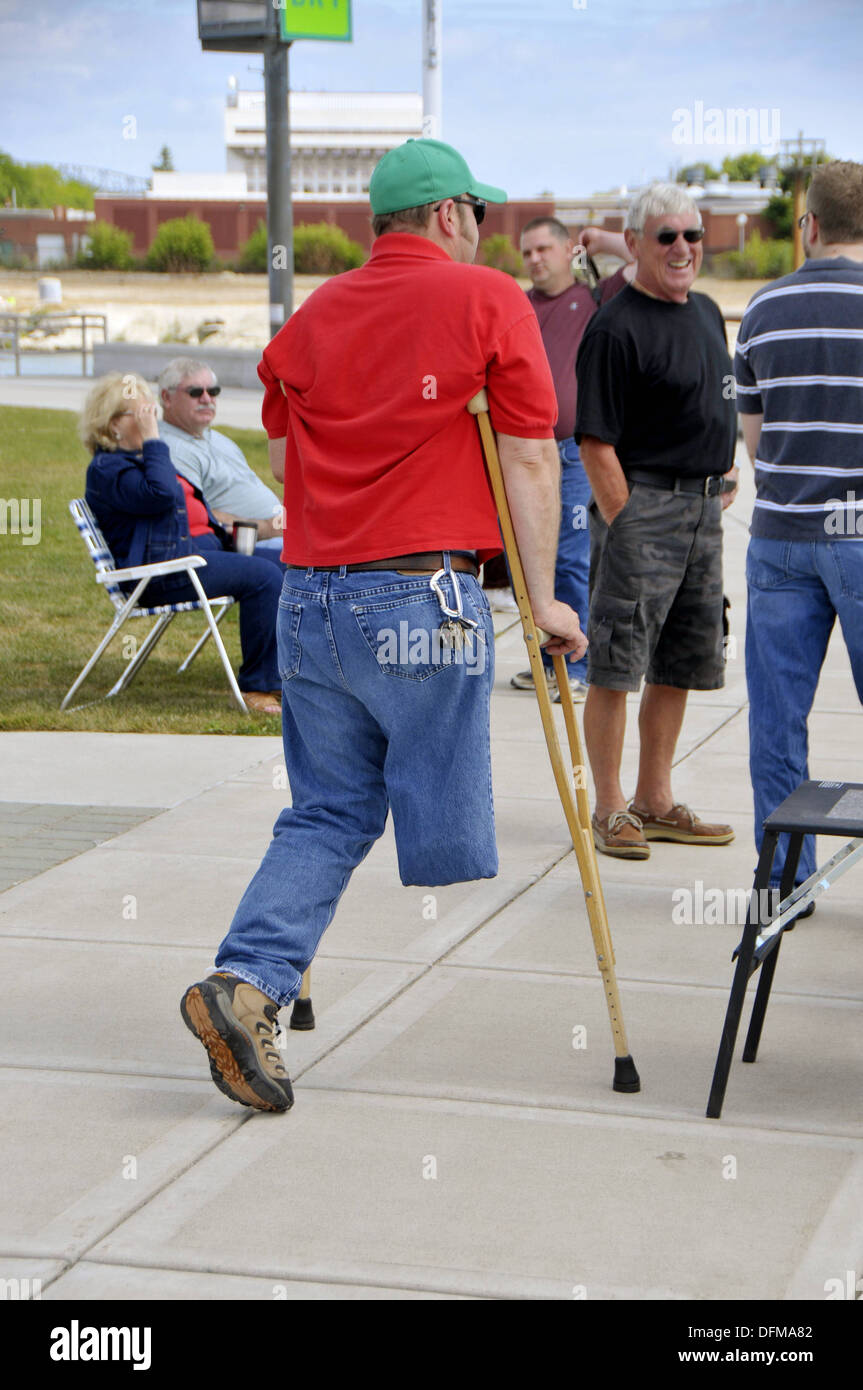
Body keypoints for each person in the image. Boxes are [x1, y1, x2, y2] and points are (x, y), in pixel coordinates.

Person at [180, 137, 586, 1113]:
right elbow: (532, 460)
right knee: (440, 826)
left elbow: (285, 450)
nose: (484, 232)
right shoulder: (486, 300)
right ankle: (284, 960)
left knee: (328, 808)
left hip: (310, 593)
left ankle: (247, 983)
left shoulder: (313, 315)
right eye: (477, 216)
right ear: (448, 214)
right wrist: (542, 601)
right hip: (419, 594)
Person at [575, 182, 738, 859]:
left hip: (702, 513)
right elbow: (595, 442)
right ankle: (610, 809)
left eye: (691, 236)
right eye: (665, 236)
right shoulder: (614, 326)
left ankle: (656, 801)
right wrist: (628, 523)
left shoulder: (704, 310)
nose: (681, 248)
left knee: (679, 664)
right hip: (640, 510)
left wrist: (719, 474)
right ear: (635, 244)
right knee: (617, 665)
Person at [735, 159, 863, 897]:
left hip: (781, 537)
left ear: (807, 225)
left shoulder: (761, 311)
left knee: (777, 721)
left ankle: (784, 882)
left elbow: (755, 444)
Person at [81, 373, 284, 716]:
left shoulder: (139, 462)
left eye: (150, 411)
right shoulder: (108, 469)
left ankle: (301, 671)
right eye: (141, 413)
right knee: (263, 577)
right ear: (113, 425)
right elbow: (160, 496)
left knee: (293, 562)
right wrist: (154, 441)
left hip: (194, 556)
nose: (152, 419)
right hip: (161, 574)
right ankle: (258, 687)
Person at [510, 217, 635, 703]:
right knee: (529, 558)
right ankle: (544, 661)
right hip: (525, 450)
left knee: (569, 557)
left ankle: (576, 667)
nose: (535, 259)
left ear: (568, 250)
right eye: (527, 252)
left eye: (544, 248)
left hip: (575, 451)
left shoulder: (595, 300)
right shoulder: (516, 306)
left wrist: (600, 240)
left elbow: (641, 259)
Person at [158, 358, 284, 563]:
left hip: (283, 534)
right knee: (329, 563)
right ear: (167, 397)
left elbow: (251, 486)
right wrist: (267, 527)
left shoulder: (218, 439)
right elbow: (196, 513)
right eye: (195, 392)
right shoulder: (172, 449)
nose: (207, 399)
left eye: (213, 391)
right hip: (248, 546)